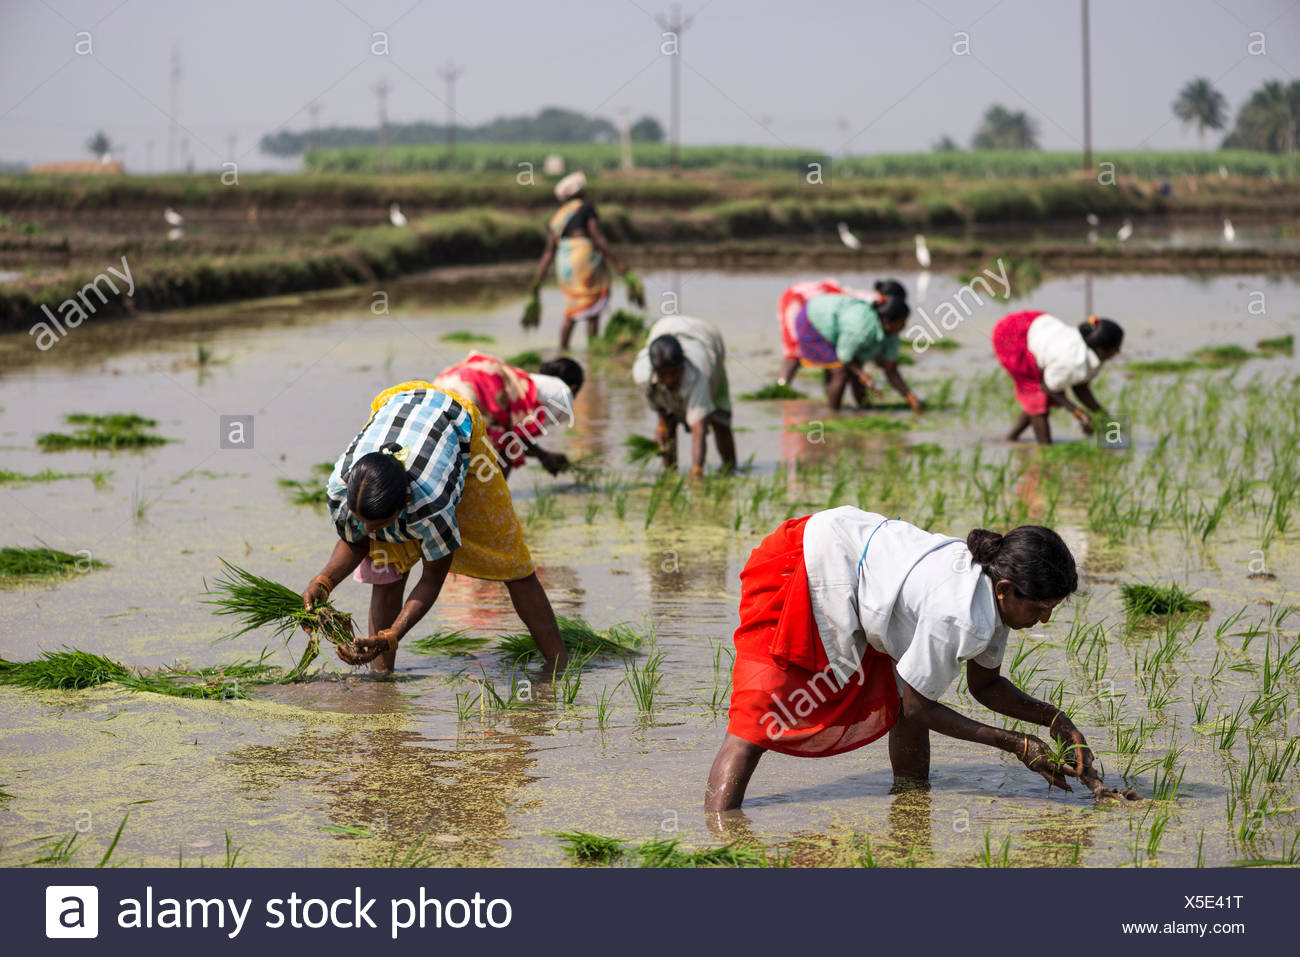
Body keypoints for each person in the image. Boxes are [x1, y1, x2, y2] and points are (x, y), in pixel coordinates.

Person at [705, 507, 1093, 811]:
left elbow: (985, 686)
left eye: (1052, 608)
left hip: (859, 569)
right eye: (1041, 607)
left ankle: (911, 800)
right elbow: (920, 707)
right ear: (1006, 589)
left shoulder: (994, 595)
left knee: (904, 690)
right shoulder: (959, 613)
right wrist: (1016, 743)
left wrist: (1054, 719)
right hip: (807, 564)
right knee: (757, 721)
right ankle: (718, 834)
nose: (1045, 618)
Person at [306, 381, 568, 673]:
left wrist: (394, 635)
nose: (369, 532)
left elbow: (432, 578)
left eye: (377, 523)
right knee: (386, 562)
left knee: (511, 562)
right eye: (362, 520)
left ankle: (560, 666)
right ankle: (381, 678)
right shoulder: (342, 490)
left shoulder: (432, 505)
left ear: (406, 501)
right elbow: (355, 540)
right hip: (398, 404)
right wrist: (324, 581)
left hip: (457, 424)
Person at [433, 352, 584, 480]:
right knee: (504, 454)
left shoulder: (527, 381)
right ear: (574, 387)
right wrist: (544, 456)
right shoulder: (559, 394)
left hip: (449, 381)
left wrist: (543, 455)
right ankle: (489, 503)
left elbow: (516, 435)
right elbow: (515, 439)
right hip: (475, 390)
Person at [529, 171, 636, 351]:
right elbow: (597, 237)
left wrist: (538, 279)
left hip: (565, 265)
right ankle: (593, 349)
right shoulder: (586, 209)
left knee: (571, 310)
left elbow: (548, 251)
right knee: (592, 312)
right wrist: (617, 262)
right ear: (580, 193)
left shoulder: (558, 216)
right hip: (583, 260)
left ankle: (563, 350)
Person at [782, 284, 922, 412]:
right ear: (887, 321)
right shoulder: (861, 328)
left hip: (836, 326)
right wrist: (862, 375)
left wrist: (909, 396)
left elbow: (891, 370)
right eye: (902, 322)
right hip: (811, 321)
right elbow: (844, 357)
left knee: (856, 371)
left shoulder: (891, 335)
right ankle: (833, 413)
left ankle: (864, 409)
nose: (904, 327)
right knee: (840, 370)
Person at [993, 312, 1123, 445]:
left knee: (1040, 398)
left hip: (1035, 325)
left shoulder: (1092, 354)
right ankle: (1045, 451)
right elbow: (1047, 387)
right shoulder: (1072, 361)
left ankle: (1011, 439)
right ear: (1102, 349)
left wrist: (1102, 415)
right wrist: (1080, 414)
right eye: (1116, 349)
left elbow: (1080, 386)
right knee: (1038, 399)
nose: (1118, 352)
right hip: (1013, 336)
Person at [632, 315, 737, 477]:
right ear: (655, 371)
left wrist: (697, 470)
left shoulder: (699, 373)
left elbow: (699, 429)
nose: (670, 379)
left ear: (682, 365)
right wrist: (661, 426)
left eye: (674, 373)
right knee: (669, 421)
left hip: (707, 339)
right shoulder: (643, 374)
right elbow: (661, 407)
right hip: (664, 327)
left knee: (720, 419)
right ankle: (670, 472)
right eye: (664, 375)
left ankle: (731, 470)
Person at [776, 278, 905, 388]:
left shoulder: (877, 306)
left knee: (833, 359)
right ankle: (781, 387)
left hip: (823, 311)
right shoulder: (873, 304)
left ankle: (828, 395)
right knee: (793, 352)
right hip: (798, 301)